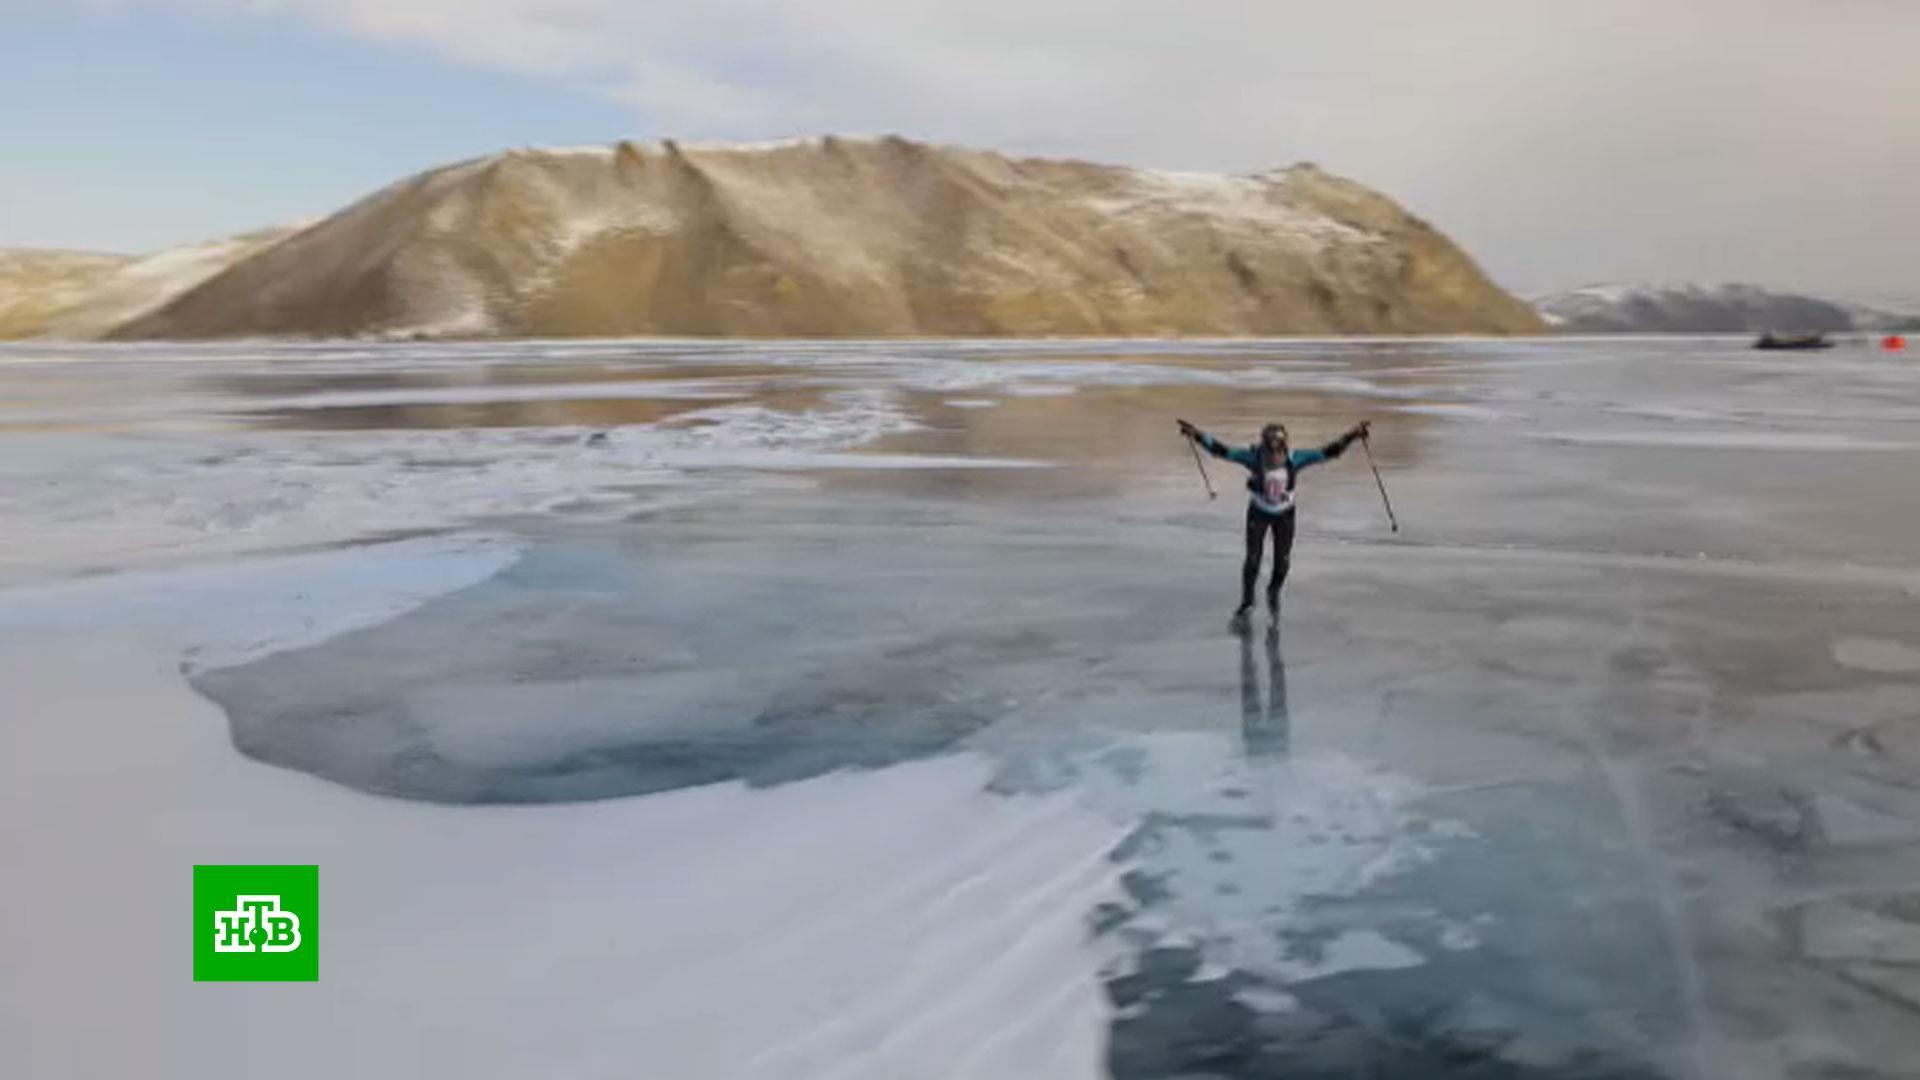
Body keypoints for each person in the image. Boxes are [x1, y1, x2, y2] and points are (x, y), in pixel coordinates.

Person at [1177, 417, 1370, 627]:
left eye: (1277, 446)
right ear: (1263, 443)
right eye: (1269, 446)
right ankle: (1247, 601)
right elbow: (1222, 451)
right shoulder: (1253, 457)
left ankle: (1273, 590)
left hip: (1285, 514)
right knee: (1252, 560)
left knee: (1282, 564)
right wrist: (1196, 434)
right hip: (1258, 512)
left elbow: (1329, 452)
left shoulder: (1295, 459)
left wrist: (1353, 435)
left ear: (1284, 444)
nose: (1273, 452)